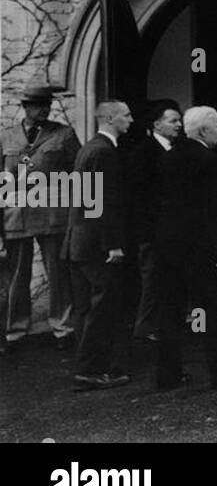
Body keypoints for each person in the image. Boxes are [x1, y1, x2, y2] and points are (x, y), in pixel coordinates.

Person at [155, 107, 217, 391]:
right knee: (212, 311)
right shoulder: (208, 160)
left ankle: (168, 375)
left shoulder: (167, 158)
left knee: (170, 312)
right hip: (199, 249)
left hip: (168, 246)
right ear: (203, 131)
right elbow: (213, 211)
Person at [2, 80, 80, 350]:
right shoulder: (6, 137)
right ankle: (16, 332)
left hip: (53, 215)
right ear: (26, 107)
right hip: (17, 215)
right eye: (38, 106)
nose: (44, 110)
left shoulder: (65, 134)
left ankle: (63, 328)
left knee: (58, 274)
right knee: (17, 277)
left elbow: (79, 176)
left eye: (47, 105)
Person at [63, 100, 132, 390]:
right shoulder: (104, 151)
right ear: (110, 118)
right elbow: (100, 203)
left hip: (79, 242)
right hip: (95, 245)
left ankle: (89, 367)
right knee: (100, 309)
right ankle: (90, 371)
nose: (130, 120)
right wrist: (112, 244)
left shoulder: (89, 149)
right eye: (126, 115)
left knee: (86, 310)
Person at [125, 99, 181, 342]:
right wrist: (148, 232)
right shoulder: (143, 154)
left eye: (179, 120)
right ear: (157, 124)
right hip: (153, 231)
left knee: (166, 280)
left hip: (170, 230)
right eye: (173, 121)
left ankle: (162, 325)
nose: (178, 125)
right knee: (152, 280)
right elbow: (139, 198)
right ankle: (145, 329)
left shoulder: (175, 149)